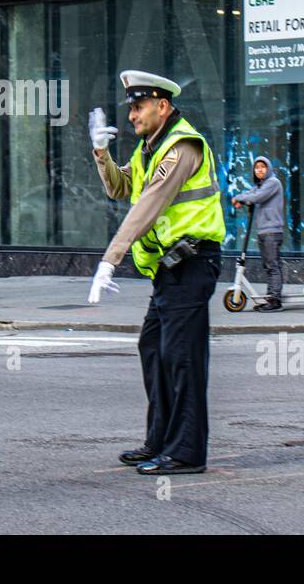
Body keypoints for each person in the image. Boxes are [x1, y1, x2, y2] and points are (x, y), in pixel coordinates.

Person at [88, 70, 225, 476]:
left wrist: (110, 259)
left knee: (182, 358)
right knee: (154, 350)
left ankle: (185, 452)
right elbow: (120, 188)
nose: (132, 115)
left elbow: (147, 205)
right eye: (130, 107)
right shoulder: (149, 149)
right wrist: (100, 153)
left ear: (162, 106)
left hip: (193, 263)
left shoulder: (181, 146)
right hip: (169, 270)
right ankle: (160, 441)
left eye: (139, 106)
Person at [231, 156, 285, 311]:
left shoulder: (273, 183)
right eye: (257, 167)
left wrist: (238, 198)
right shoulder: (260, 185)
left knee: (273, 266)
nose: (260, 169)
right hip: (264, 231)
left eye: (263, 166)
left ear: (268, 169)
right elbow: (251, 193)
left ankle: (275, 301)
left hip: (272, 231)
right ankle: (271, 296)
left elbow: (256, 197)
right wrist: (241, 199)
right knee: (269, 265)